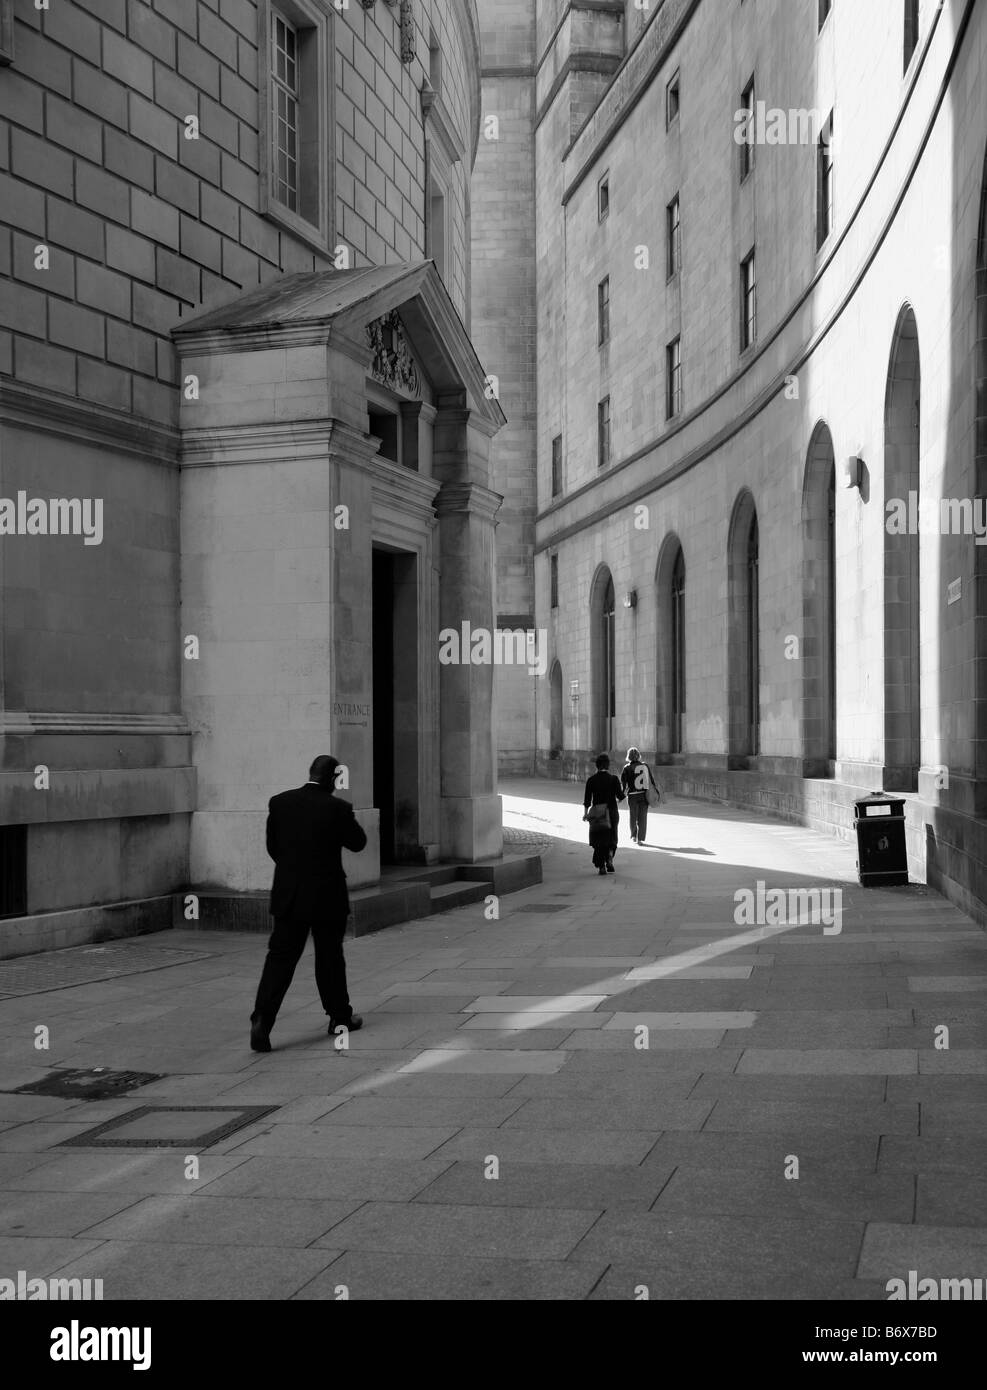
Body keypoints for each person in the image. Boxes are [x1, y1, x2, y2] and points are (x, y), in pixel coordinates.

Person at [249, 754, 368, 1052]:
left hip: (289, 896)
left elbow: (273, 848)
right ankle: (339, 1018)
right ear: (333, 779)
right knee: (329, 958)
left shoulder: (280, 802)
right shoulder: (337, 808)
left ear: (310, 773)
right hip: (327, 897)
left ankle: (262, 1020)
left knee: (279, 960)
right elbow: (358, 842)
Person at [583, 753, 625, 874]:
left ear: (596, 766)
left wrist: (586, 814)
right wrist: (623, 794)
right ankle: (610, 857)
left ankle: (601, 866)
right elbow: (620, 797)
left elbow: (587, 800)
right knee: (612, 837)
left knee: (599, 839)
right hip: (611, 812)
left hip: (597, 814)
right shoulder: (613, 779)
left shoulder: (591, 780)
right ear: (608, 765)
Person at [620, 746, 660, 845]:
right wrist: (656, 792)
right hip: (643, 795)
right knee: (642, 817)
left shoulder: (626, 768)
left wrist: (621, 796)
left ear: (628, 756)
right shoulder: (645, 766)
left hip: (632, 795)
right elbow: (651, 781)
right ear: (638, 756)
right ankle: (640, 839)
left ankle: (634, 835)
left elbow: (624, 785)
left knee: (633, 816)